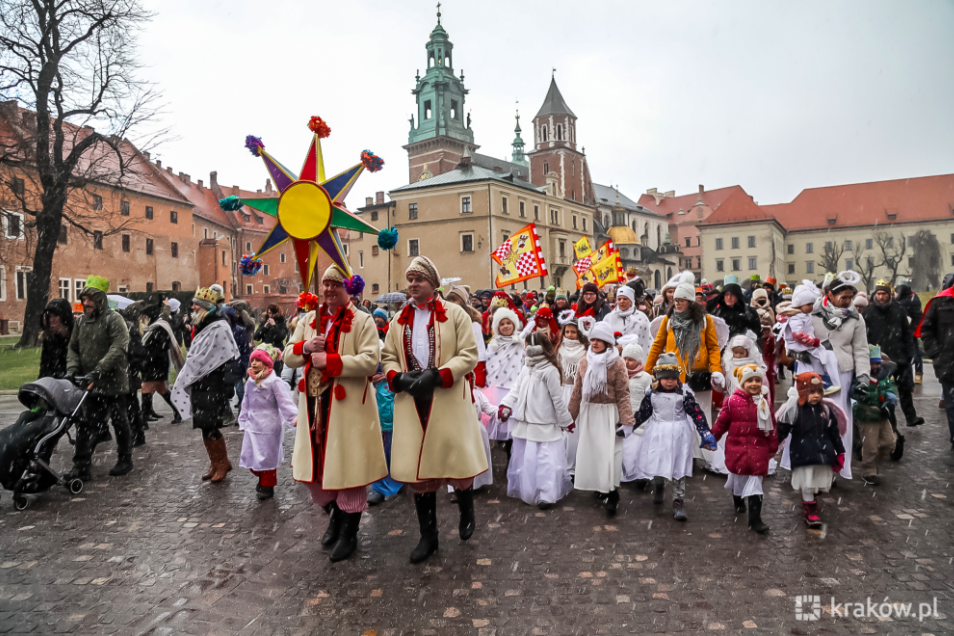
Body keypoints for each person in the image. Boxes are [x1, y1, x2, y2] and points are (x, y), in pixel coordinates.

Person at [382, 255, 487, 563]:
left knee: (455, 457)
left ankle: (466, 506)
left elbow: (469, 354)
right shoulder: (399, 318)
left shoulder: (455, 314)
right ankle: (429, 536)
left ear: (434, 283)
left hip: (447, 396)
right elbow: (388, 356)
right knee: (420, 469)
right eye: (410, 279)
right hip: (412, 399)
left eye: (420, 279)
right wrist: (397, 378)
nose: (414, 284)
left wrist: (438, 375)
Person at [284, 265, 388, 562]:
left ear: (349, 288)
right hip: (316, 406)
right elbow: (290, 355)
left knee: (348, 468)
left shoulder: (362, 320)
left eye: (336, 285)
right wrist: (305, 346)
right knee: (314, 470)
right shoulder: (309, 318)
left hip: (348, 407)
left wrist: (332, 361)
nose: (329, 290)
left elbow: (370, 362)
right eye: (326, 285)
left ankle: (349, 532)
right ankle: (335, 517)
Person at [645, 271, 725, 466]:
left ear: (691, 301)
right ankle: (681, 453)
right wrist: (647, 371)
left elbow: (713, 347)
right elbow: (657, 346)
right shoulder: (668, 320)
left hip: (699, 376)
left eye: (681, 300)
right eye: (675, 300)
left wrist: (716, 369)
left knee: (701, 414)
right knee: (678, 415)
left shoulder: (705, 321)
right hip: (675, 377)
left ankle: (702, 455)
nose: (677, 302)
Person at [632, 352, 718, 521]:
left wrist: (704, 431)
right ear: (658, 377)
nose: (670, 381)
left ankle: (678, 501)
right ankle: (659, 486)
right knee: (659, 462)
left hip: (679, 435)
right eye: (666, 378)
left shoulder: (684, 394)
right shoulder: (652, 394)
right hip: (657, 434)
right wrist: (627, 426)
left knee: (679, 467)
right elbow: (642, 413)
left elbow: (696, 413)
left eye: (673, 378)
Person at [64, 275, 134, 481]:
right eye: (84, 299)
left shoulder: (114, 320)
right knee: (86, 424)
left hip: (113, 381)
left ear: (100, 299)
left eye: (90, 299)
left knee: (120, 421)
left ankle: (125, 458)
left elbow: (119, 347)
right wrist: (72, 368)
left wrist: (100, 368)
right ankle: (82, 466)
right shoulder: (81, 323)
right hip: (90, 382)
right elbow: (73, 348)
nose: (86, 303)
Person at [170, 287, 240, 484]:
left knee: (211, 425)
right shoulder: (203, 324)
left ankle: (223, 462)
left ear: (205, 307)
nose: (192, 307)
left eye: (195, 304)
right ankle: (214, 462)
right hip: (201, 382)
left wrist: (228, 383)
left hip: (213, 383)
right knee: (203, 424)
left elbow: (229, 356)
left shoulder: (219, 326)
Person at [498, 332, 573, 510]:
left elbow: (557, 399)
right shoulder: (526, 368)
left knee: (545, 460)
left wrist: (566, 420)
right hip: (525, 423)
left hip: (543, 423)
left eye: (527, 345)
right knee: (529, 460)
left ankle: (546, 494)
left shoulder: (550, 370)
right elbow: (515, 389)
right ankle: (530, 492)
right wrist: (506, 404)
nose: (525, 349)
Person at [567, 322, 634, 516]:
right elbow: (577, 392)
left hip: (609, 412)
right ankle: (599, 485)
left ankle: (612, 493)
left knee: (610, 453)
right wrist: (569, 417)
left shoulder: (617, 363)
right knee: (594, 452)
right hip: (590, 412)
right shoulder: (584, 361)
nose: (595, 343)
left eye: (600, 340)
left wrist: (627, 420)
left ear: (608, 342)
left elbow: (623, 393)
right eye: (593, 339)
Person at [710, 365, 778, 534]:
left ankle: (755, 518)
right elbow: (721, 423)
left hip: (758, 448)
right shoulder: (732, 401)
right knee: (739, 478)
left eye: (757, 380)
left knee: (756, 482)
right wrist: (712, 437)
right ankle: (737, 498)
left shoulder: (764, 403)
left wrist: (773, 446)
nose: (754, 384)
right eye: (750, 380)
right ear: (742, 382)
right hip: (737, 447)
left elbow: (771, 427)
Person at [776, 372, 847, 528]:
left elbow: (834, 433)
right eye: (811, 392)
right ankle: (810, 508)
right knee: (808, 483)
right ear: (803, 393)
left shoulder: (827, 411)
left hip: (823, 454)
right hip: (803, 454)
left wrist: (840, 451)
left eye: (819, 392)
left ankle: (811, 498)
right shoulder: (795, 411)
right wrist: (772, 444)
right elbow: (782, 429)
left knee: (819, 482)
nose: (816, 396)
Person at [238, 343, 298, 500]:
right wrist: (243, 420)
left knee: (267, 457)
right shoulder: (251, 381)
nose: (254, 363)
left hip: (269, 426)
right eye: (253, 360)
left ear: (267, 362)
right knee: (251, 456)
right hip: (253, 424)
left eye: (258, 360)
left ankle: (267, 485)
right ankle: (262, 478)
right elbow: (246, 401)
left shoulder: (274, 381)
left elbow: (284, 401)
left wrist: (293, 418)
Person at [863, 280, 924, 427]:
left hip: (900, 356)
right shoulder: (868, 312)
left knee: (905, 388)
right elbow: (864, 337)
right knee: (882, 391)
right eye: (879, 293)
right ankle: (888, 420)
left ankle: (911, 416)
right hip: (879, 358)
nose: (881, 297)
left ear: (889, 294)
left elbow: (906, 333)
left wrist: (910, 353)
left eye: (884, 293)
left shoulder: (899, 309)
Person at [778, 280, 842, 393]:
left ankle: (820, 382)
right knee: (821, 358)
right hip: (800, 345)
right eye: (808, 305)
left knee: (823, 357)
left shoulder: (803, 314)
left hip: (803, 344)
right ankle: (823, 382)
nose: (811, 307)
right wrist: (813, 342)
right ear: (799, 303)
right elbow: (797, 334)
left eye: (812, 304)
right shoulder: (797, 317)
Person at [917, 273, 954, 449]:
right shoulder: (940, 302)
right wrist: (937, 356)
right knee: (952, 405)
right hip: (948, 363)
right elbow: (926, 330)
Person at [483, 303, 525, 452]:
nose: (506, 326)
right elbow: (488, 367)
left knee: (515, 431)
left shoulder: (520, 342)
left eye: (509, 323)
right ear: (497, 327)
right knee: (502, 425)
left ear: (514, 324)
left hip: (515, 390)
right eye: (502, 324)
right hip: (498, 390)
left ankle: (512, 460)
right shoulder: (492, 345)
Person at [140, 303, 184, 424]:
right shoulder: (155, 327)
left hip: (156, 363)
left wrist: (158, 369)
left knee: (158, 388)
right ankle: (146, 415)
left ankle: (145, 416)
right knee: (152, 388)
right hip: (151, 363)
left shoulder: (158, 328)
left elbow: (160, 349)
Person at [557, 315, 589, 477]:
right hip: (562, 390)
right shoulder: (559, 348)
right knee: (562, 427)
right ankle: (561, 462)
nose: (569, 335)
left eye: (573, 332)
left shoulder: (585, 350)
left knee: (576, 429)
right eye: (567, 332)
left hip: (577, 392)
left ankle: (574, 464)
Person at [620, 342, 653, 485]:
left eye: (631, 359)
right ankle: (625, 473)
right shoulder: (619, 375)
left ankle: (640, 476)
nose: (627, 362)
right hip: (622, 418)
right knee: (625, 450)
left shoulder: (645, 378)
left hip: (639, 420)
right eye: (625, 359)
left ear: (638, 360)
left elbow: (650, 400)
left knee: (638, 450)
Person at [707, 275, 761, 339]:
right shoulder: (717, 312)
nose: (729, 297)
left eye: (732, 294)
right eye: (726, 294)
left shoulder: (749, 312)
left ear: (737, 295)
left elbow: (757, 334)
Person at [602, 286, 653, 353]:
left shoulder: (641, 317)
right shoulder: (609, 318)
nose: (622, 301)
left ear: (631, 301)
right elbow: (602, 340)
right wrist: (613, 349)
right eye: (619, 299)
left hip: (637, 358)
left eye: (625, 299)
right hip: (615, 359)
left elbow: (649, 340)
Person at [223, 306, 251, 422]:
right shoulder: (220, 331)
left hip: (237, 364)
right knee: (224, 392)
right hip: (224, 366)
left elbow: (245, 350)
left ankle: (242, 414)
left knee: (240, 392)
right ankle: (227, 414)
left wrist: (244, 365)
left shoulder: (239, 330)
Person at [38, 298, 74, 379]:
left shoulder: (75, 338)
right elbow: (44, 368)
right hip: (52, 384)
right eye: (49, 316)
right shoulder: (49, 340)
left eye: (55, 316)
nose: (51, 320)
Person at [894, 284, 923, 384]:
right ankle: (896, 372)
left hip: (910, 330)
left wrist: (912, 329)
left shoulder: (913, 299)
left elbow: (917, 315)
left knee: (915, 352)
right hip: (901, 330)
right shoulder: (899, 299)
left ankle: (919, 373)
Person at [254, 304, 289, 374]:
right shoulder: (264, 322)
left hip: (276, 353)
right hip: (265, 352)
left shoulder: (282, 323)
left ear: (276, 313)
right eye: (268, 313)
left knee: (275, 374)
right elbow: (256, 337)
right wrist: (264, 328)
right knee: (264, 374)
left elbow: (282, 336)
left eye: (270, 313)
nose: (269, 315)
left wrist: (274, 326)